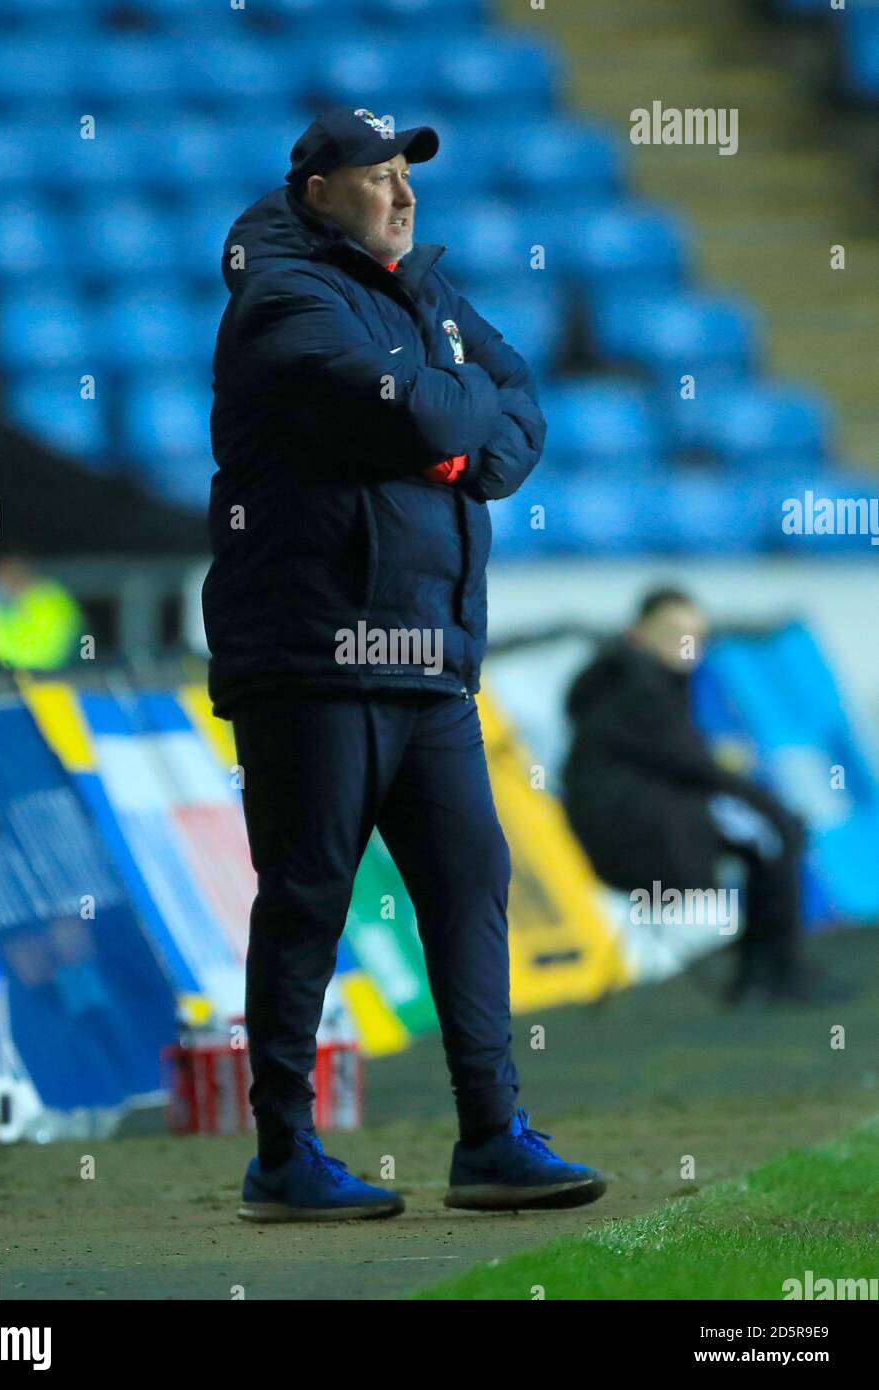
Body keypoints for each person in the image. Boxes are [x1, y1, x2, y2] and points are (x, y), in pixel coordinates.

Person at [203, 107, 606, 1221]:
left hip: (427, 656)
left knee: (470, 882)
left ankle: (489, 1137)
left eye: (405, 175)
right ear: (316, 191)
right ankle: (282, 1151)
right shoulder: (282, 296)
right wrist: (451, 402)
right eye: (375, 175)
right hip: (313, 652)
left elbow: (517, 407)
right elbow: (433, 404)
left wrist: (454, 419)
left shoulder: (414, 291)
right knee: (308, 899)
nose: (401, 194)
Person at [561, 587, 848, 1007]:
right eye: (674, 632)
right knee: (774, 830)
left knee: (766, 831)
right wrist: (774, 808)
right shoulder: (639, 687)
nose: (687, 645)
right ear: (637, 633)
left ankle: (765, 971)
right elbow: (697, 767)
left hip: (634, 821)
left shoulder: (624, 679)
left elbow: (682, 762)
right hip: (637, 832)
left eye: (697, 635)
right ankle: (770, 973)